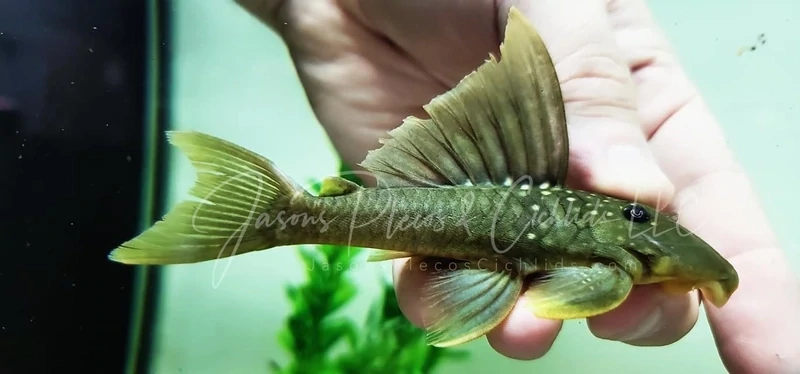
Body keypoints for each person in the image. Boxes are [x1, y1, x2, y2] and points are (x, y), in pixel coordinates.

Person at [235, 0, 800, 372]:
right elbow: (567, 293)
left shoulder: (622, 255)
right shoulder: (618, 252)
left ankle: (272, 217)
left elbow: (565, 292)